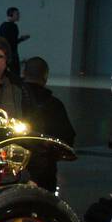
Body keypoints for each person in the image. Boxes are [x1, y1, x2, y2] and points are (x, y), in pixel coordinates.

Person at [21, 56, 75, 192]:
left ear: (23, 73)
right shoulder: (55, 105)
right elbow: (67, 139)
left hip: (14, 170)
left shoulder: (13, 99)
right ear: (45, 77)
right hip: (45, 173)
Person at [0, 7, 29, 76]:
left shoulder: (3, 25)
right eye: (17, 14)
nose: (18, 16)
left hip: (5, 52)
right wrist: (21, 39)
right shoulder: (13, 26)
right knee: (15, 72)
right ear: (11, 14)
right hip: (11, 52)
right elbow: (12, 41)